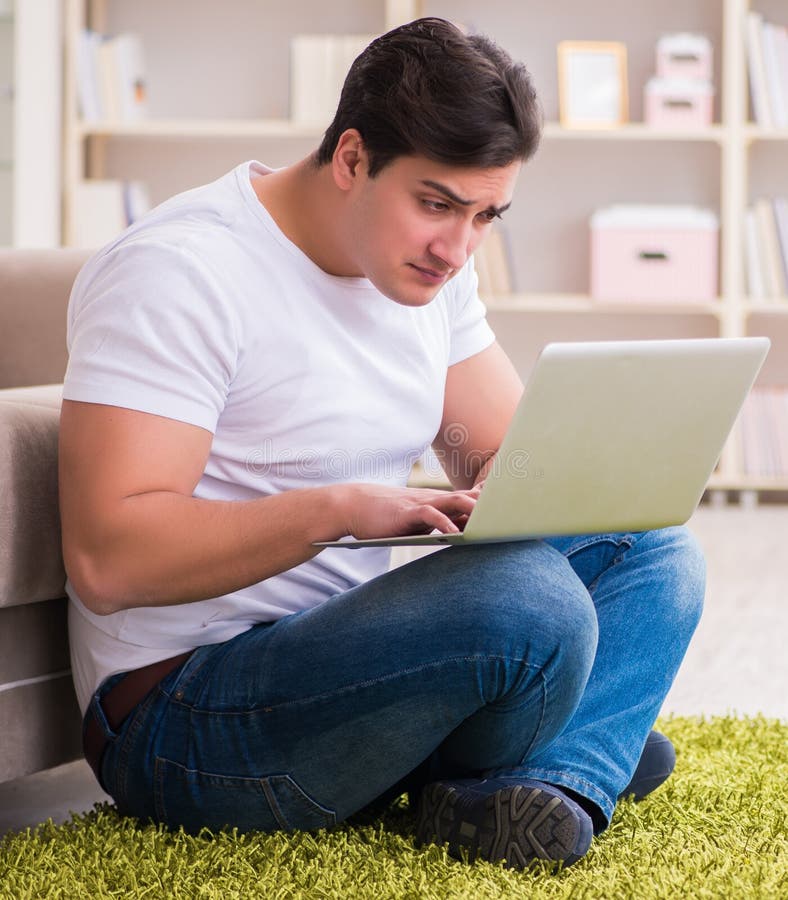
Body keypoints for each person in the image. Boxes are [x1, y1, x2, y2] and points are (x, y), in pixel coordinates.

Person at [59, 17, 705, 871]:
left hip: (342, 660)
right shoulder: (181, 273)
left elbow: (503, 461)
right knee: (530, 607)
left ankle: (548, 785)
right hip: (181, 717)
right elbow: (109, 561)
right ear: (352, 158)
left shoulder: (432, 271)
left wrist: (602, 468)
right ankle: (567, 748)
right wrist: (336, 512)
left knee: (654, 552)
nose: (457, 247)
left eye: (485, 216)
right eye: (436, 204)